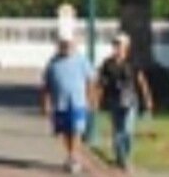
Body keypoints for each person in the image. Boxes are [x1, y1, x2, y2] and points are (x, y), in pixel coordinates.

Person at [98, 33, 153, 173]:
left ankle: (126, 157)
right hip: (114, 100)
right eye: (115, 44)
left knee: (127, 130)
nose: (117, 48)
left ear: (126, 47)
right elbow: (101, 83)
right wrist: (97, 99)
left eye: (119, 45)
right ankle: (120, 158)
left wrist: (147, 99)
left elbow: (141, 81)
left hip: (130, 100)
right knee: (117, 131)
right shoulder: (107, 63)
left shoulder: (132, 62)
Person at [41, 36, 96, 174]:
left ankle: (74, 156)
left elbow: (90, 81)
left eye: (69, 45)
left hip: (78, 102)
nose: (67, 47)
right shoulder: (53, 63)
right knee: (65, 131)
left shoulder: (82, 61)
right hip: (60, 103)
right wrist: (46, 103)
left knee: (76, 129)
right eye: (64, 45)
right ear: (59, 46)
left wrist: (91, 99)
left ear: (75, 45)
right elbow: (46, 85)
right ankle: (71, 154)